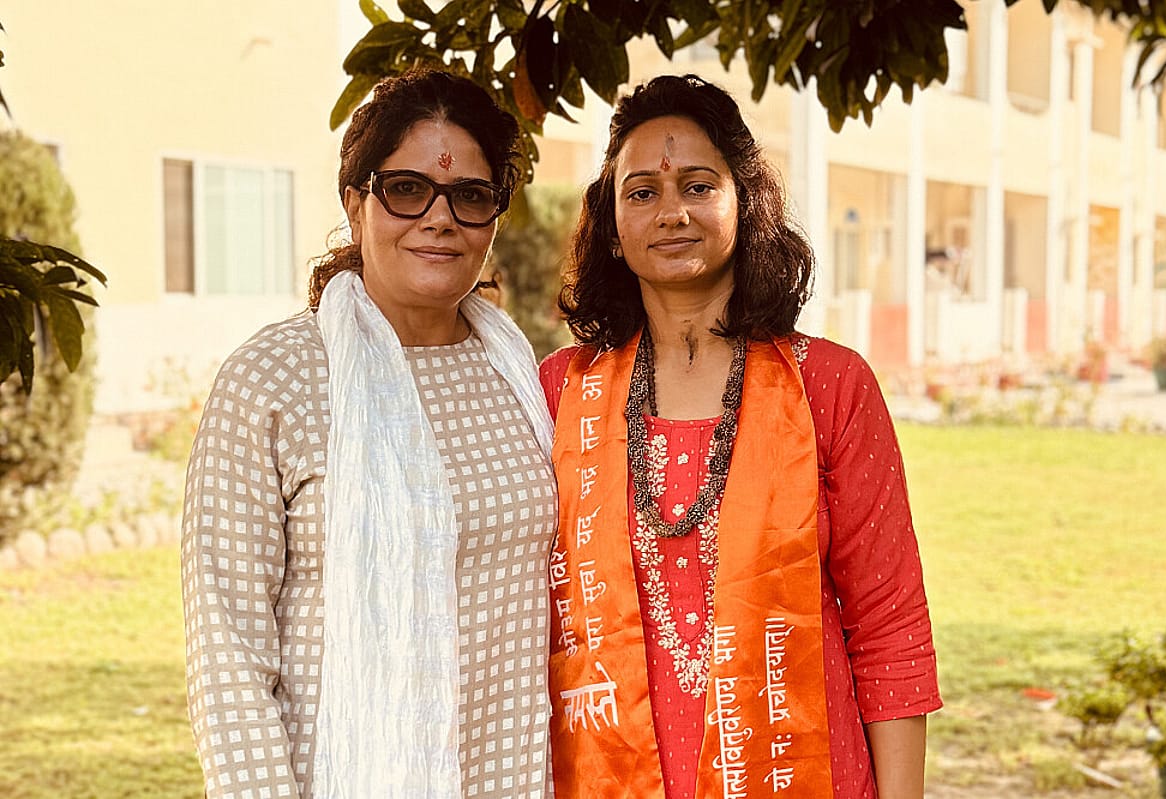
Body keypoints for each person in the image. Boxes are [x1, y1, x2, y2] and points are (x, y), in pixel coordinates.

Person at [539, 74, 941, 799]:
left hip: (807, 772)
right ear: (610, 223)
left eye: (698, 186)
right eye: (642, 193)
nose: (672, 213)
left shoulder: (830, 386)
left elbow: (890, 629)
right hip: (601, 772)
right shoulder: (560, 390)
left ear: (744, 199)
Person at [181, 70, 556, 799]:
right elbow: (227, 658)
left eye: (470, 197)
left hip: (514, 774)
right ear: (356, 203)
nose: (439, 218)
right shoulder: (274, 380)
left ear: (494, 219)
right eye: (406, 189)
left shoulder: (520, 378)